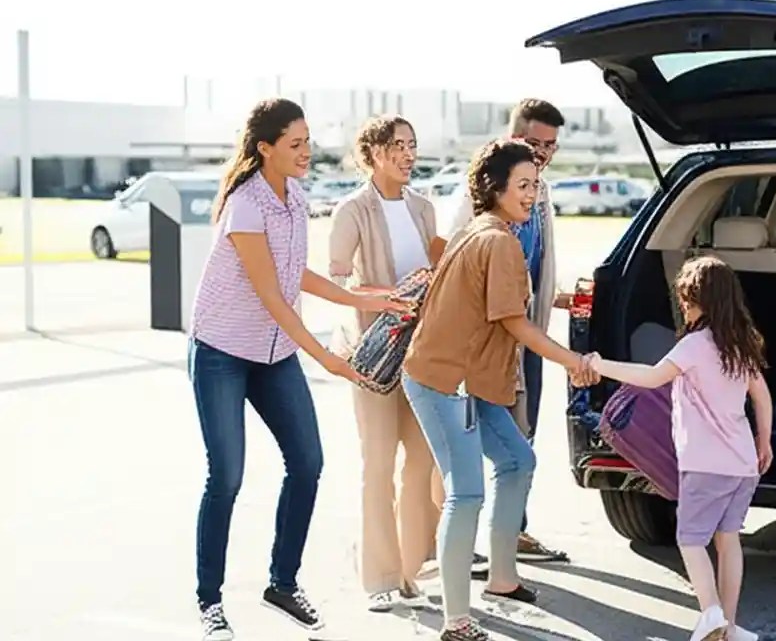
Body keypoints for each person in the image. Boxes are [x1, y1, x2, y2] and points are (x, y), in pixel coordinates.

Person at [188, 98, 409, 641]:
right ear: (265, 149)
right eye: (295, 143)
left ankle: (282, 583)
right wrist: (328, 358)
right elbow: (273, 297)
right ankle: (210, 601)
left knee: (307, 463)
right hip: (221, 351)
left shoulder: (297, 198)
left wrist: (374, 299)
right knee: (228, 476)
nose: (307, 151)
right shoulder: (245, 203)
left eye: (309, 140)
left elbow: (297, 276)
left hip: (272, 353)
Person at [401, 139, 594, 641]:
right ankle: (456, 622)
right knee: (465, 494)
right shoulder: (499, 241)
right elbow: (516, 324)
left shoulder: (482, 230)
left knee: (517, 461)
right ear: (495, 188)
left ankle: (502, 579)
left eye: (536, 185)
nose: (532, 194)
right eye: (523, 185)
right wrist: (574, 361)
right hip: (447, 383)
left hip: (469, 380)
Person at [586, 255, 774, 641]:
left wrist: (601, 365)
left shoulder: (695, 345)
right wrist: (764, 440)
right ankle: (731, 627)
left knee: (690, 539)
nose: (683, 308)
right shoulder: (742, 342)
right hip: (743, 463)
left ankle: (710, 615)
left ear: (701, 301)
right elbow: (762, 396)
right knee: (728, 540)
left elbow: (652, 377)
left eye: (687, 300)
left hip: (705, 464)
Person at [329, 114, 448, 612]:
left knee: (421, 463)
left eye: (412, 145)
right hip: (371, 357)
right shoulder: (351, 210)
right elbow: (336, 283)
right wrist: (389, 298)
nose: (408, 153)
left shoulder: (422, 208)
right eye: (397, 145)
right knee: (378, 464)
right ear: (373, 152)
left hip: (420, 354)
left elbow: (441, 267)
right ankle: (378, 575)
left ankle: (409, 568)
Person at [444, 98, 572, 564]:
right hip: (483, 341)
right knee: (474, 442)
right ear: (513, 136)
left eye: (550, 146)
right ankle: (463, 544)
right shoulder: (481, 191)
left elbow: (535, 262)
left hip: (527, 337)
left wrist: (552, 297)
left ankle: (513, 533)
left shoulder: (542, 191)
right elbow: (450, 252)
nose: (541, 154)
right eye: (533, 143)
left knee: (523, 438)